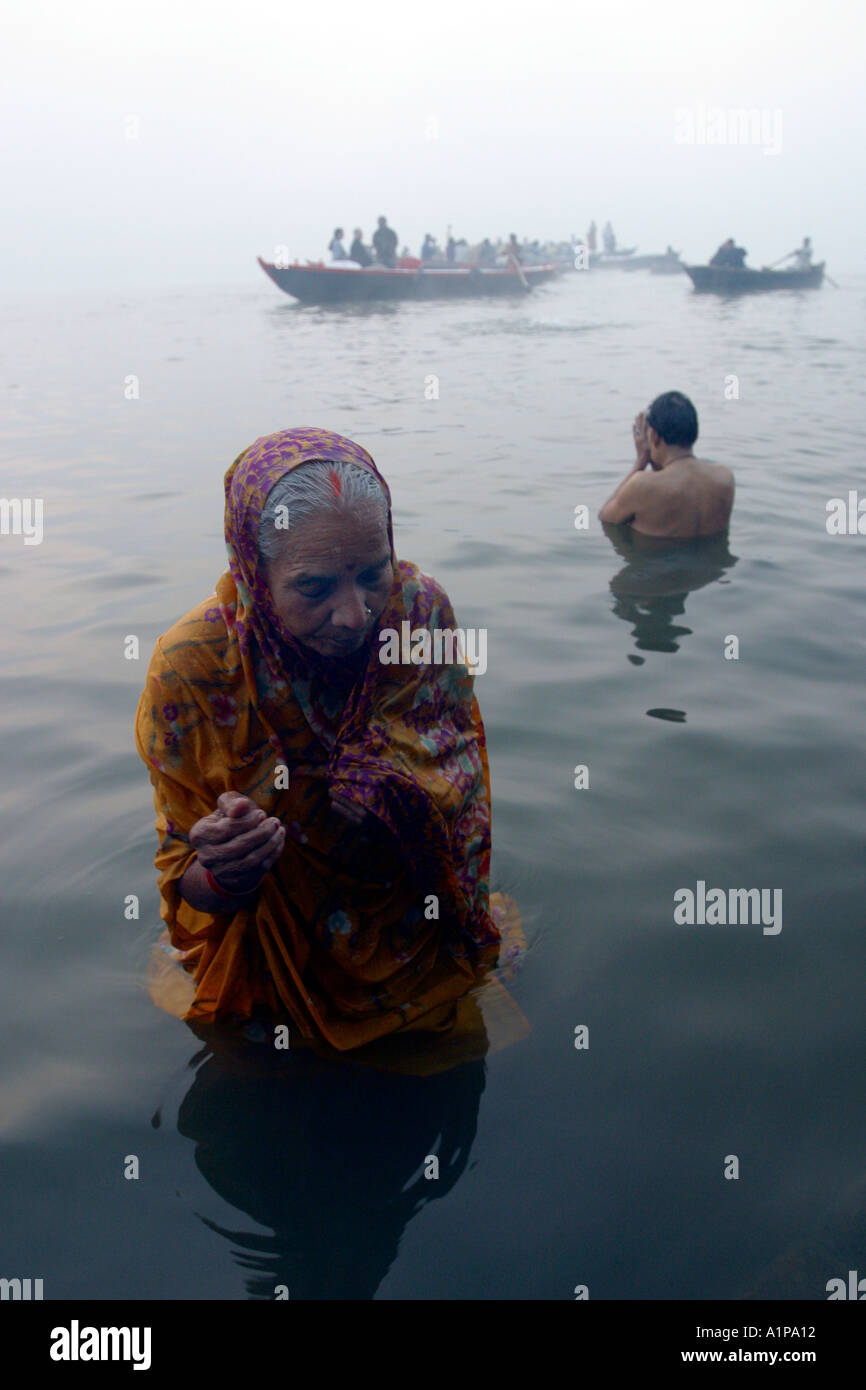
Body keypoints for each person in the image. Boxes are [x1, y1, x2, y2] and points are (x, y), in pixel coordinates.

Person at [135, 428, 504, 1050]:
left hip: (412, 928)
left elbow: (462, 785)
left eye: (371, 574)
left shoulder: (418, 612)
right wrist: (227, 869)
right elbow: (183, 879)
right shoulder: (193, 665)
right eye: (314, 587)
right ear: (254, 572)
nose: (355, 614)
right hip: (272, 956)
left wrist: (398, 795)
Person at [598, 392, 734, 538]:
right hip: (711, 560)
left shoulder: (642, 485)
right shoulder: (724, 478)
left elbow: (607, 520)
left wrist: (640, 462)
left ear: (654, 437)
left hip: (656, 559)